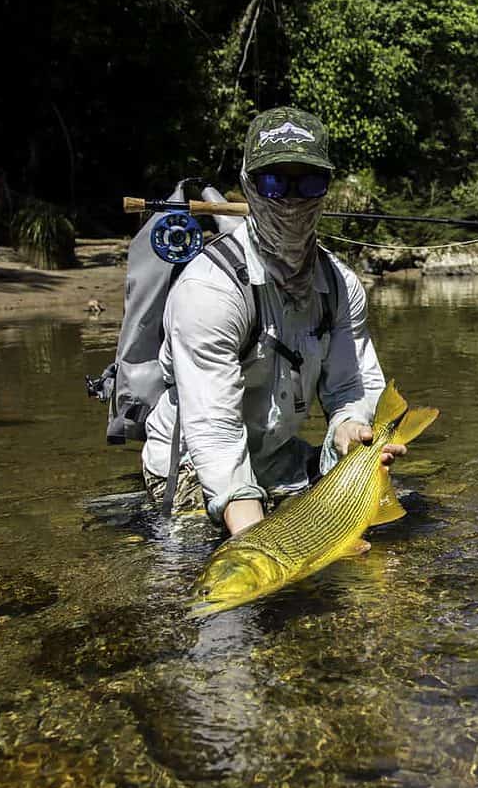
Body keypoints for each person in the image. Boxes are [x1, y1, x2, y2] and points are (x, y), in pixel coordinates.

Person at [141, 106, 405, 535]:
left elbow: (349, 388)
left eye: (309, 183)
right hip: (194, 466)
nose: (292, 200)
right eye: (274, 182)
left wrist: (349, 429)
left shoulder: (341, 285)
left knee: (384, 529)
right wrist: (258, 544)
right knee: (231, 585)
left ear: (326, 189)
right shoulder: (208, 292)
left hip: (280, 461)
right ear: (248, 185)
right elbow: (215, 432)